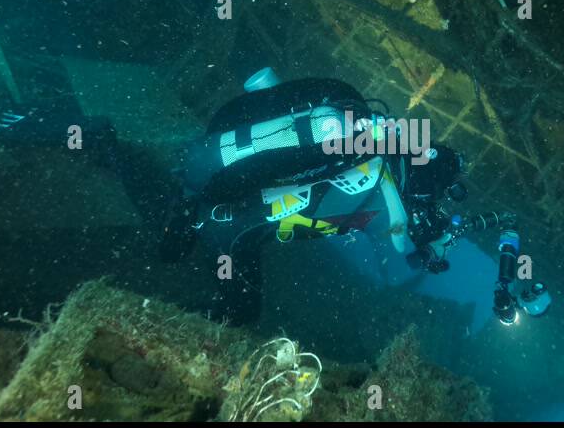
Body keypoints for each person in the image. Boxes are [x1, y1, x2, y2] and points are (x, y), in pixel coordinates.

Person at [158, 68, 477, 325]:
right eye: (438, 193)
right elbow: (395, 270)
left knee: (171, 235)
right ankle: (159, 323)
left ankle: (118, 155)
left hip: (210, 184)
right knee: (240, 313)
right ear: (426, 183)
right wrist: (430, 251)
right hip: (224, 225)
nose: (432, 202)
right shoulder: (385, 197)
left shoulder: (360, 140)